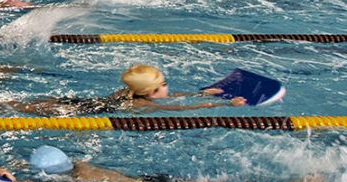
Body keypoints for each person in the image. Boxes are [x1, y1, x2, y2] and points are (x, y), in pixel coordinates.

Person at [0, 144, 324, 182]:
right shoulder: (81, 166)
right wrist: (4, 167)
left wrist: (19, 181)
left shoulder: (77, 180)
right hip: (156, 179)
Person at [13, 64, 246, 116]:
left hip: (80, 102)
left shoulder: (131, 93)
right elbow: (178, 108)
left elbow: (175, 97)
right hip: (77, 112)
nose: (168, 88)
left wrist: (200, 92)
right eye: (163, 85)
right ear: (151, 93)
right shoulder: (140, 105)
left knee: (19, 105)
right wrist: (226, 104)